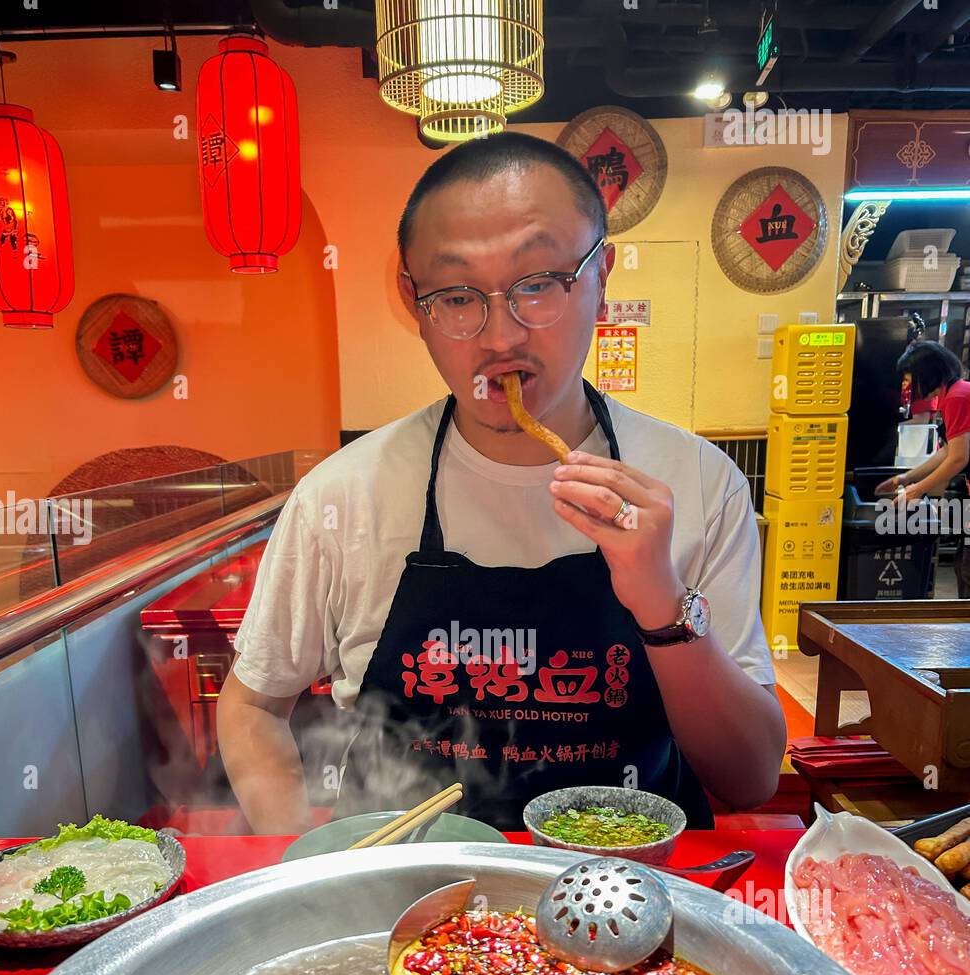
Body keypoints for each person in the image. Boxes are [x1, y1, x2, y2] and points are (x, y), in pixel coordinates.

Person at [217, 133, 785, 834]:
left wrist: (662, 606)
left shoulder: (695, 483)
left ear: (601, 279)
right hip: (404, 903)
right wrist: (308, 865)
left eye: (538, 284)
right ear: (413, 302)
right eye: (456, 296)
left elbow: (750, 777)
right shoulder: (343, 496)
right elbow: (250, 705)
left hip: (620, 903)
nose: (499, 338)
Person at [875, 341, 970, 594]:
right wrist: (905, 478)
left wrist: (917, 491)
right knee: (964, 567)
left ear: (927, 374)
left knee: (967, 572)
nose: (908, 387)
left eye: (910, 379)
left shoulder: (958, 397)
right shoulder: (954, 395)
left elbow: (959, 458)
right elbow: (948, 450)